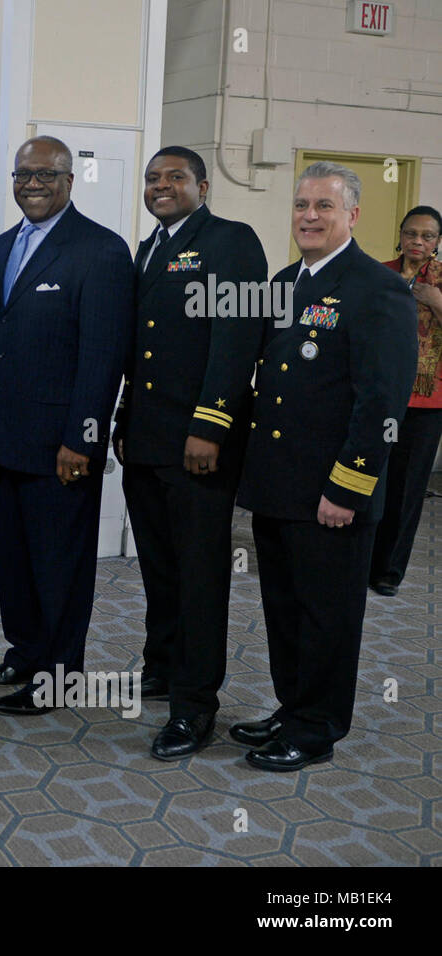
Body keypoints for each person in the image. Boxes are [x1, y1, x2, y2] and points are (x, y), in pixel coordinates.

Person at [232, 162, 416, 771]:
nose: (309, 216)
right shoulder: (286, 281)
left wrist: (348, 488)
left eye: (324, 206)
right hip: (280, 485)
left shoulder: (378, 289)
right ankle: (293, 707)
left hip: (331, 492)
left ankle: (316, 729)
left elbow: (381, 404)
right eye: (301, 205)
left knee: (326, 617)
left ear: (353, 215)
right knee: (285, 611)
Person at [112, 146, 268, 759]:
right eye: (152, 177)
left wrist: (211, 425)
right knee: (159, 566)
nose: (161, 185)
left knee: (200, 575)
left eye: (175, 177)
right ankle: (163, 665)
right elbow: (140, 348)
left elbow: (237, 340)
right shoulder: (149, 247)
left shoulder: (232, 240)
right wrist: (123, 419)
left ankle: (195, 705)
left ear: (202, 186)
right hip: (147, 440)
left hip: (199, 443)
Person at [0, 135, 134, 715]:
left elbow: (102, 357)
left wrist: (81, 440)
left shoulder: (101, 250)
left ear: (69, 180)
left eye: (45, 174)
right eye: (23, 174)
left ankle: (59, 677)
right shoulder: (0, 248)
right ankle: (25, 654)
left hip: (62, 447)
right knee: (14, 562)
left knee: (59, 567)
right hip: (5, 440)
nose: (32, 184)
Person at [368, 205, 442, 596]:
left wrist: (436, 301)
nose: (418, 241)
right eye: (411, 233)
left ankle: (388, 570)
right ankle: (359, 557)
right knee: (368, 476)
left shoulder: (441, 282)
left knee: (407, 488)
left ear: (437, 242)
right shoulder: (379, 273)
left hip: (426, 404)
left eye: (427, 236)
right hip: (379, 394)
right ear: (400, 235)